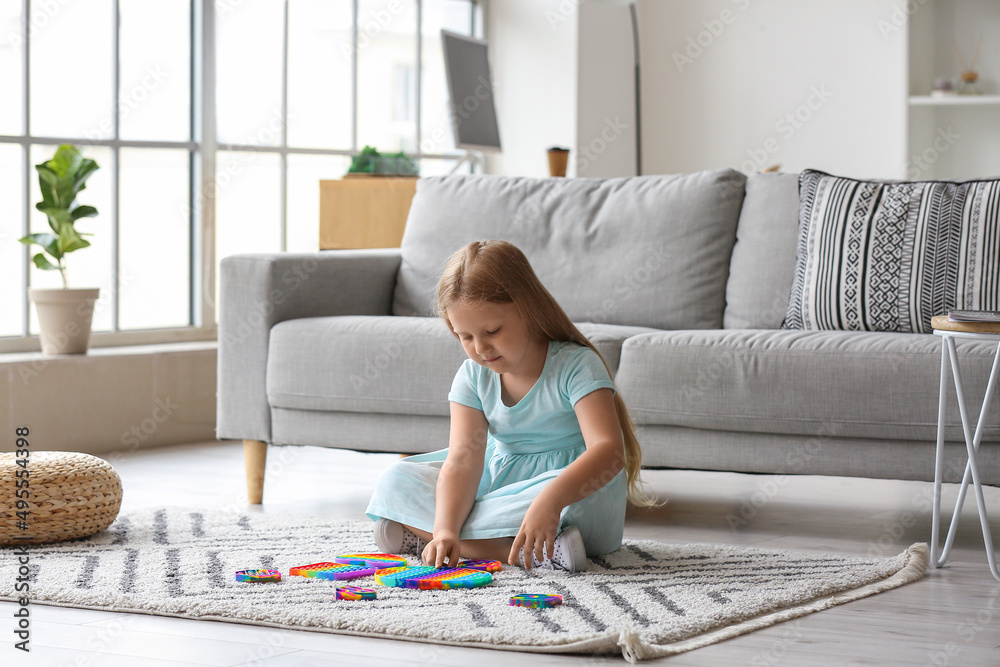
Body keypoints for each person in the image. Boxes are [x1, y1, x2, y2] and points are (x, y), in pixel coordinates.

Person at [365, 240, 657, 573]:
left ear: (528, 308)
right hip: (498, 485)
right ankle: (516, 549)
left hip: (570, 491)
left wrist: (549, 501)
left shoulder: (576, 365)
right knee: (395, 480)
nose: (480, 348)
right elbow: (462, 459)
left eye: (492, 330)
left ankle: (420, 537)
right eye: (465, 336)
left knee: (540, 505)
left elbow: (609, 451)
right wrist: (446, 527)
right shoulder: (473, 376)